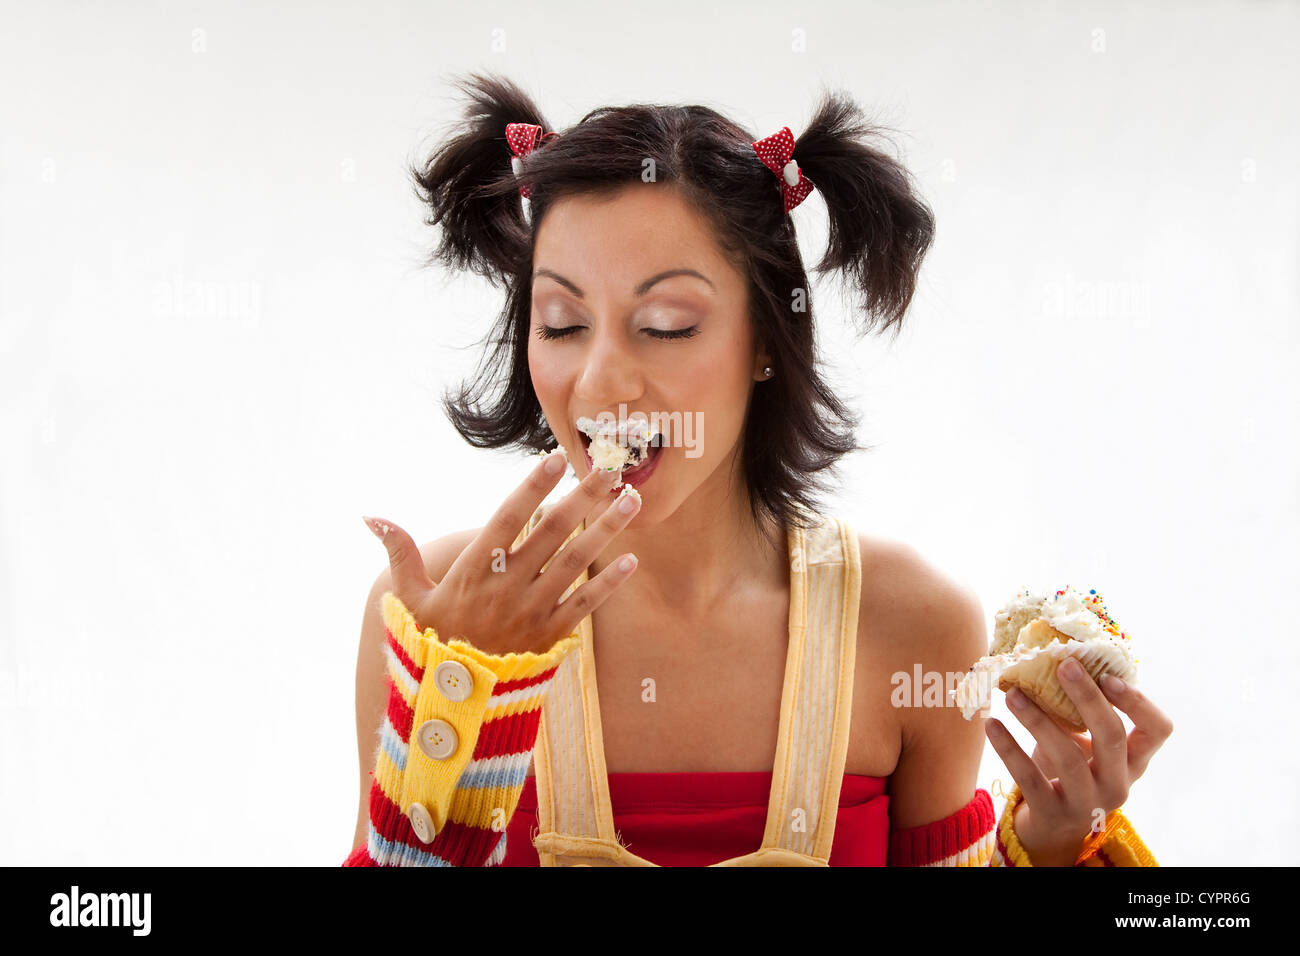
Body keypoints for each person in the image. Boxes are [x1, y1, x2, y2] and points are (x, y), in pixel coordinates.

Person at [343, 72, 1170, 867]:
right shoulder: (436, 612)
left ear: (769, 340)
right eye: (561, 324)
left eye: (665, 324)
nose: (598, 383)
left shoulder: (916, 627)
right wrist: (456, 707)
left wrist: (1058, 847)